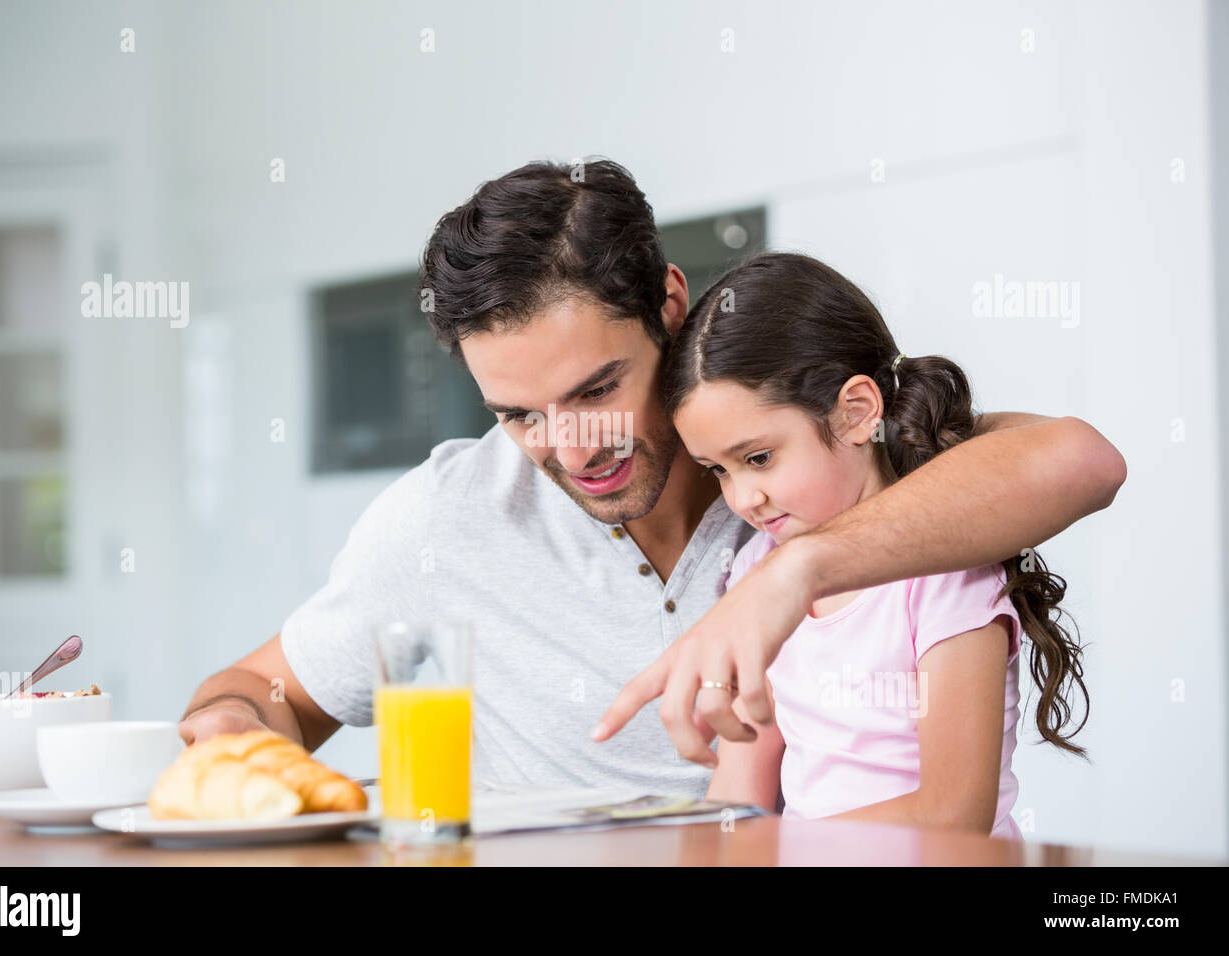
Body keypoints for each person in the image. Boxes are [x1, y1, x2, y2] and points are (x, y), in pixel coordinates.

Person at [178, 159, 1125, 802]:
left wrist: (802, 571)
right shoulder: (444, 519)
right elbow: (265, 693)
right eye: (518, 415)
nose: (571, 446)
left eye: (597, 388)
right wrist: (227, 727)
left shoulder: (801, 463)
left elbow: (1082, 462)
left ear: (670, 304)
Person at [634, 251, 1090, 836]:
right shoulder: (757, 568)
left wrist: (770, 852)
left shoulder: (945, 574)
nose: (743, 498)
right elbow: (739, 787)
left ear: (856, 413)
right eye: (717, 470)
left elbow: (953, 817)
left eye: (758, 458)